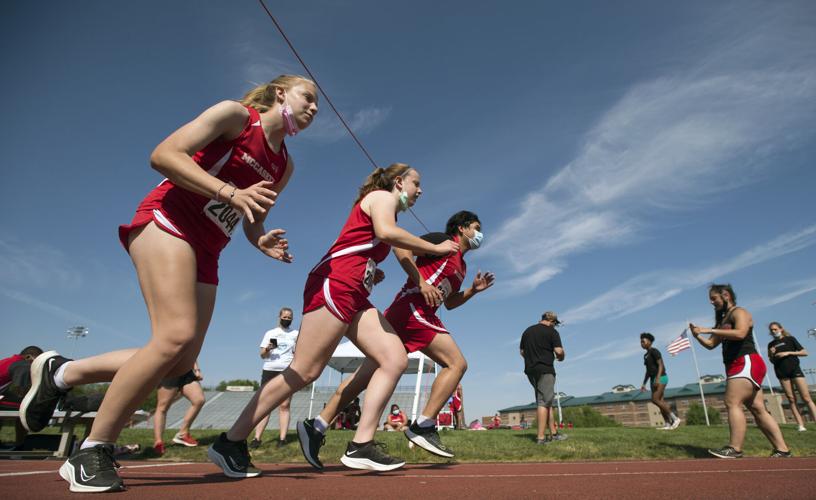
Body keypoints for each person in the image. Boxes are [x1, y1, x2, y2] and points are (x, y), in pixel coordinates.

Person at [18, 75, 317, 493]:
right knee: (174, 336)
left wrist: (259, 238)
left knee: (177, 366)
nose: (315, 108)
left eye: (318, 103)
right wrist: (230, 192)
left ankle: (62, 372)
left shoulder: (284, 165)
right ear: (281, 93)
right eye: (309, 97)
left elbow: (254, 213)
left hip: (208, 249)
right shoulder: (236, 115)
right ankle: (92, 449)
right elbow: (163, 155)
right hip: (169, 220)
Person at [208, 163, 459, 475]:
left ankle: (361, 445)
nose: (420, 191)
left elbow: (374, 239)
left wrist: (370, 270)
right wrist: (435, 246)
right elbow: (386, 232)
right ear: (398, 181)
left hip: (354, 292)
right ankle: (230, 442)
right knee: (304, 371)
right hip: (335, 284)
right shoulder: (383, 197)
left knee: (394, 358)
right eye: (416, 183)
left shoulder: (385, 207)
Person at [296, 210, 493, 467]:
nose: (479, 234)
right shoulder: (442, 241)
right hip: (412, 308)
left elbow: (451, 302)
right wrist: (421, 282)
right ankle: (424, 424)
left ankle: (317, 425)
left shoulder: (462, 266)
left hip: (409, 314)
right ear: (463, 228)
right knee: (456, 363)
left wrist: (473, 291)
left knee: (362, 378)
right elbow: (401, 249)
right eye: (476, 227)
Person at [690, 283, 791, 458]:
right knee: (758, 408)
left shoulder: (739, 312)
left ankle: (734, 448)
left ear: (726, 295)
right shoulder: (723, 320)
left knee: (732, 402)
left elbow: (741, 333)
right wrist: (698, 335)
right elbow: (711, 344)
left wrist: (709, 329)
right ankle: (782, 449)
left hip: (746, 361)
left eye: (714, 298)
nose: (711, 302)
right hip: (737, 365)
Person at [249, 307, 298, 449]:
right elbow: (262, 355)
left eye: (289, 318)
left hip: (287, 370)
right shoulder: (271, 333)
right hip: (270, 369)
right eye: (285, 317)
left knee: (284, 405)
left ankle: (282, 439)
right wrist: (268, 349)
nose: (287, 319)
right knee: (265, 405)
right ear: (279, 317)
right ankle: (257, 438)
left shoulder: (295, 334)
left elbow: (298, 352)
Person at [520, 311, 567, 444]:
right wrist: (562, 355)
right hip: (545, 369)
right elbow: (558, 351)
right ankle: (540, 438)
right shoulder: (552, 332)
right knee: (543, 402)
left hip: (530, 370)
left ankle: (554, 433)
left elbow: (522, 351)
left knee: (547, 401)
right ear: (552, 321)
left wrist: (532, 359)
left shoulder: (527, 331)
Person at [767, 321, 816, 432]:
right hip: (782, 373)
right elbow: (772, 360)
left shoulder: (790, 339)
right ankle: (800, 425)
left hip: (795, 370)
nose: (774, 331)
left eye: (775, 329)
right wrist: (771, 354)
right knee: (791, 399)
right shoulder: (771, 345)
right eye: (771, 330)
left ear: (781, 329)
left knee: (806, 398)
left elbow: (804, 352)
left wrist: (788, 353)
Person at [152, 362, 205, 455]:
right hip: (170, 370)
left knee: (199, 400)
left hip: (186, 371)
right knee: (162, 407)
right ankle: (158, 442)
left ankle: (182, 434)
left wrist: (197, 370)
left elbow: (192, 352)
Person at [639, 333, 680, 430]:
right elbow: (648, 371)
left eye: (643, 341)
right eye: (641, 342)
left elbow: (661, 365)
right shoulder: (646, 355)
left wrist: (657, 378)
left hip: (661, 377)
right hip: (653, 378)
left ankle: (675, 419)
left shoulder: (654, 351)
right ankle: (667, 423)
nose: (641, 343)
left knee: (655, 399)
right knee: (660, 401)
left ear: (649, 342)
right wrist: (644, 383)